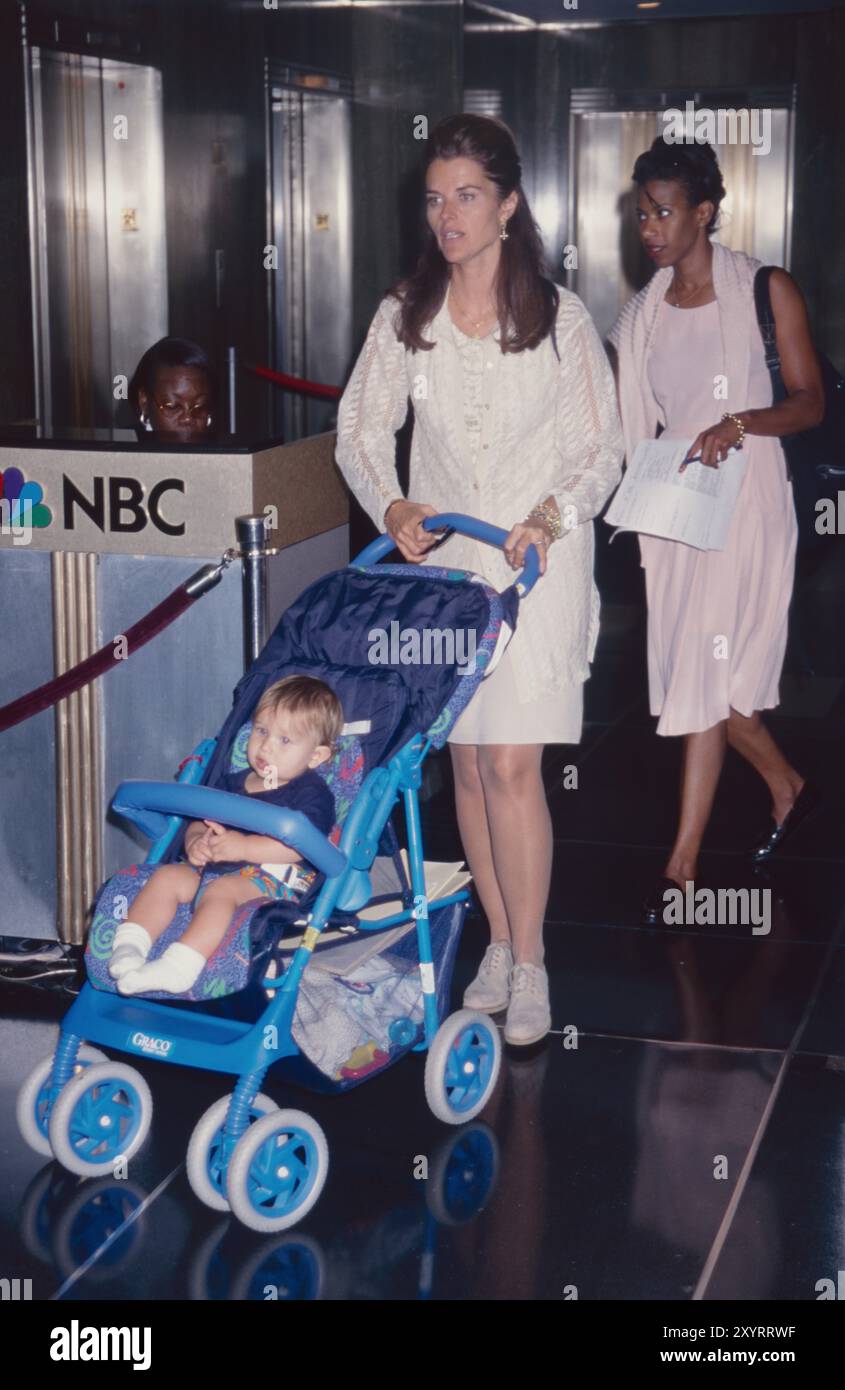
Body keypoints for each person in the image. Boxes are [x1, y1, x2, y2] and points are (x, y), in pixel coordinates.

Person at [335, 114, 623, 1045]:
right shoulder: (403, 317)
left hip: (536, 562)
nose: (447, 215)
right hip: (446, 568)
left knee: (511, 764)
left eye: (466, 196)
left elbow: (600, 448)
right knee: (461, 764)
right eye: (434, 198)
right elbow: (357, 433)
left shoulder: (558, 316)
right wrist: (391, 508)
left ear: (506, 205)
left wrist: (550, 516)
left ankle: (531, 961)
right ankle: (497, 943)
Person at [606, 138, 824, 924]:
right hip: (675, 508)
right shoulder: (640, 317)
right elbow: (632, 426)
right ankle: (783, 785)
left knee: (704, 668)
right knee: (700, 674)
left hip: (747, 501)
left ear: (703, 212)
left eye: (664, 211)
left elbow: (808, 402)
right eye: (641, 214)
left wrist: (738, 421)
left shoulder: (765, 287)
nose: (650, 228)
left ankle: (683, 860)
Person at [108, 676, 342, 995]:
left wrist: (242, 846)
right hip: (215, 868)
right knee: (166, 877)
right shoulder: (234, 783)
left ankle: (179, 967)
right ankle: (129, 948)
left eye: (285, 740)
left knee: (220, 891)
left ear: (315, 757)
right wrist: (196, 841)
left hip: (274, 880)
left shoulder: (312, 795)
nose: (266, 745)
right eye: (261, 731)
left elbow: (298, 848)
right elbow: (201, 820)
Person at [129, 337, 218, 442]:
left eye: (200, 407)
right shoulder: (118, 454)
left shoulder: (225, 456)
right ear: (144, 402)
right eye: (173, 406)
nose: (187, 419)